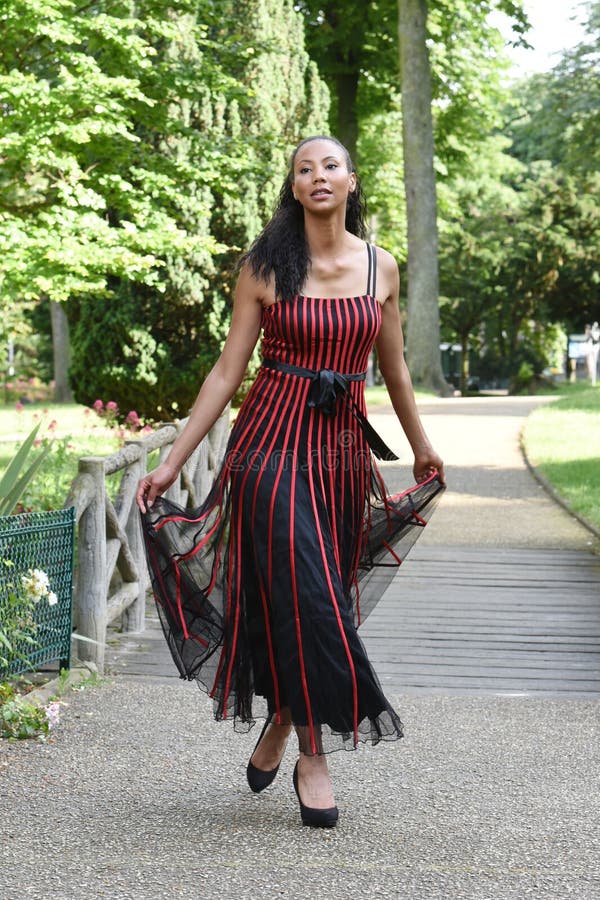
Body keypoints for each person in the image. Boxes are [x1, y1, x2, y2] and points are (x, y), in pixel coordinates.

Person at [136, 135, 445, 829]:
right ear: (294, 188)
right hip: (270, 448)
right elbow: (226, 373)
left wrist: (422, 446)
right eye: (304, 169)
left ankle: (280, 714)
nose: (317, 176)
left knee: (318, 599)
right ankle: (315, 755)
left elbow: (393, 371)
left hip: (340, 456)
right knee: (306, 588)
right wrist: (174, 461)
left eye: (329, 165)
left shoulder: (381, 269)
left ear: (351, 180)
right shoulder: (264, 267)